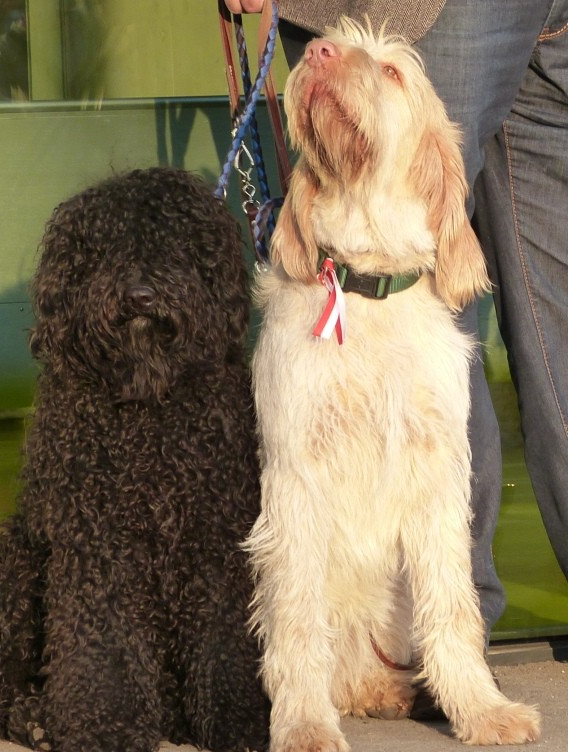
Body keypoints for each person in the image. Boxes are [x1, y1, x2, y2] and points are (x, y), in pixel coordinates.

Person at [222, 0, 568, 638]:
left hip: (421, 10)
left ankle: (427, 645)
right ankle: (432, 645)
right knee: (552, 304)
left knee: (394, 255)